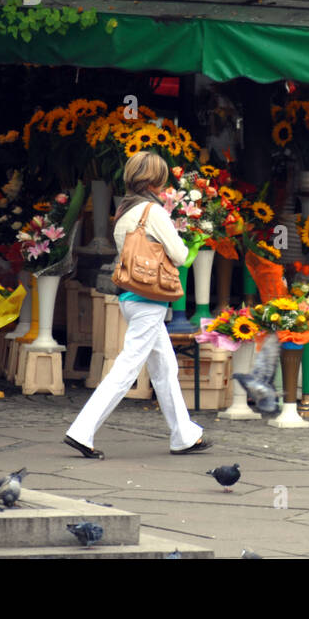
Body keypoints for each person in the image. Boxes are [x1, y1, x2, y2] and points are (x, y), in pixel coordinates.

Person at [64, 151, 212, 458]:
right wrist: (190, 239)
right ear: (156, 180)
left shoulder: (124, 210)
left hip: (131, 298)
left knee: (165, 367)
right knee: (128, 367)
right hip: (150, 300)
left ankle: (183, 435)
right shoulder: (153, 212)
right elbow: (181, 255)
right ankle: (82, 429)